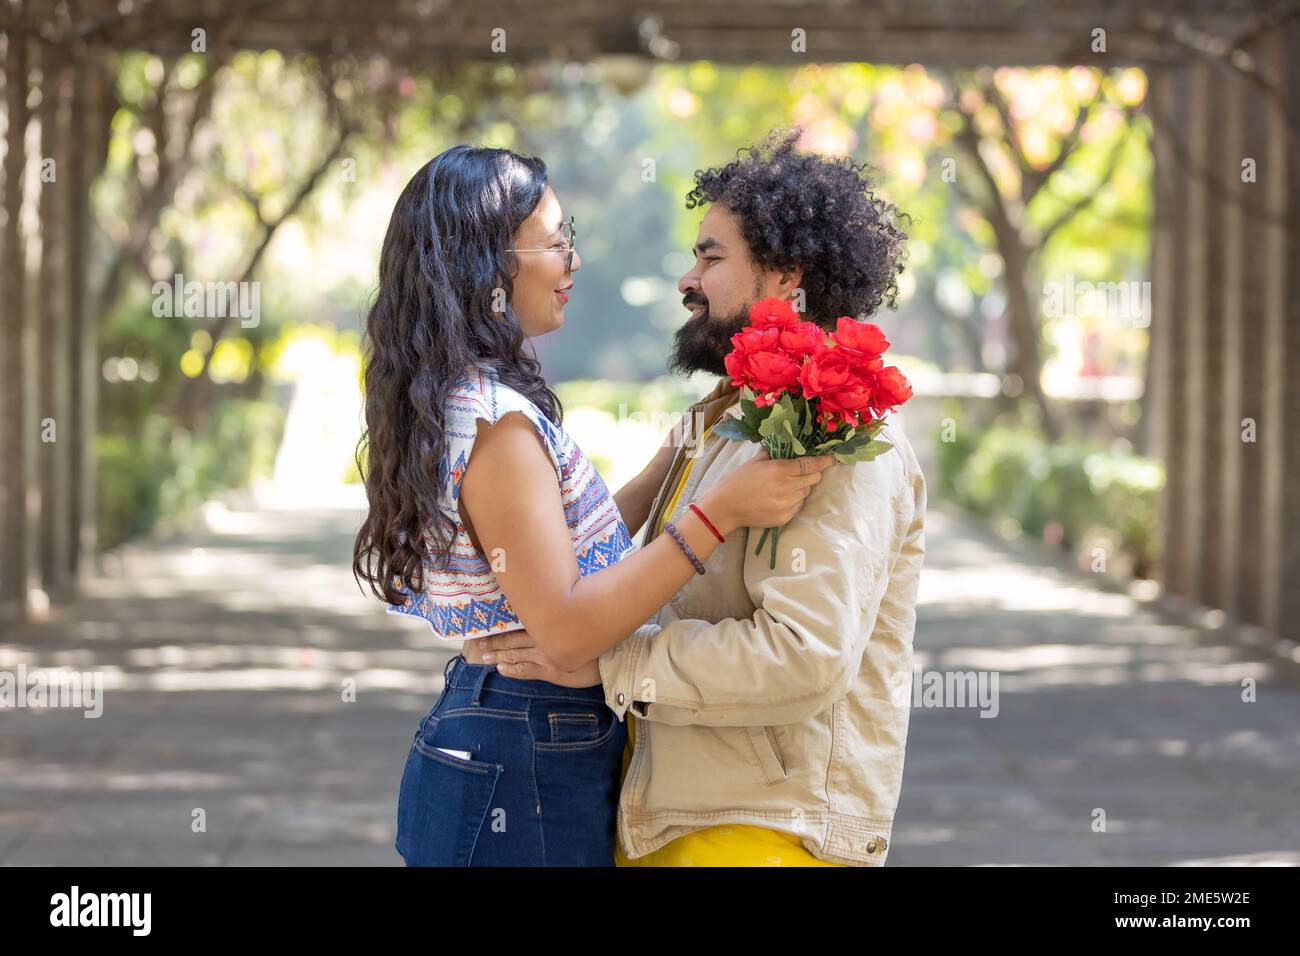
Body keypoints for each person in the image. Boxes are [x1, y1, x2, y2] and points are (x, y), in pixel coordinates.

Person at [351, 143, 834, 866]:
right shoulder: (497, 425)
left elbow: (561, 551)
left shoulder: (469, 399)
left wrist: (677, 449)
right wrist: (717, 514)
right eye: (554, 242)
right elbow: (571, 629)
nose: (572, 261)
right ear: (488, 263)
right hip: (522, 757)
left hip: (509, 743)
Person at [478, 130, 926, 867]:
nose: (687, 280)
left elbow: (802, 655)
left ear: (786, 277)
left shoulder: (838, 430)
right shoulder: (730, 419)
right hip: (683, 825)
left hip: (765, 839)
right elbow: (629, 567)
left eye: (711, 257)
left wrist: (613, 664)